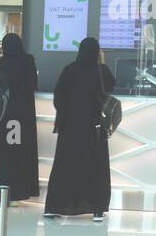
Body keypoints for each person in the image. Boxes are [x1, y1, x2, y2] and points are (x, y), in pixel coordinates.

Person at [44, 36, 117, 222]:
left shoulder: (70, 70)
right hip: (95, 128)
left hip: (70, 128)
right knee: (95, 168)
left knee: (65, 167)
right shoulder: (101, 71)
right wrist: (102, 62)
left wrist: (65, 115)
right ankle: (97, 209)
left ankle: (55, 207)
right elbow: (111, 86)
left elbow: (58, 96)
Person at [0, 33, 40, 202]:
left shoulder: (0, 63)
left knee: (4, 153)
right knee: (21, 151)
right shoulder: (28, 61)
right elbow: (34, 84)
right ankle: (21, 190)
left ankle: (3, 191)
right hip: (23, 115)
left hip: (4, 116)